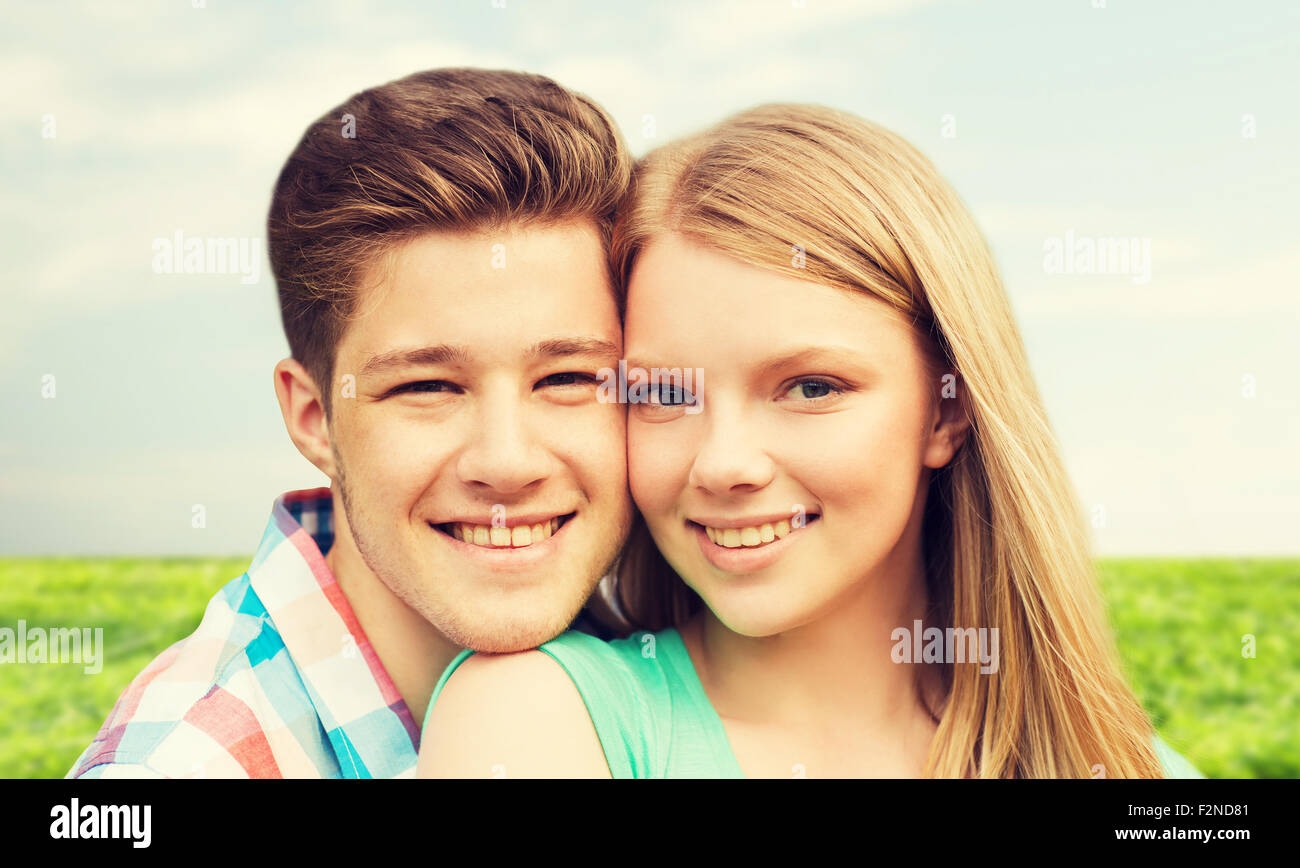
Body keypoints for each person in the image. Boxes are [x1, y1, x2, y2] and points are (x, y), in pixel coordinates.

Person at [419, 103, 1204, 778]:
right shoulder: (537, 720)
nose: (724, 463)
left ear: (947, 411)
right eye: (662, 394)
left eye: (811, 388)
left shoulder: (1134, 769)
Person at [66, 68, 635, 779]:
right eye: (427, 385)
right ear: (314, 419)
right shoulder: (186, 765)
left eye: (568, 379)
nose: (508, 462)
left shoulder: (656, 654)